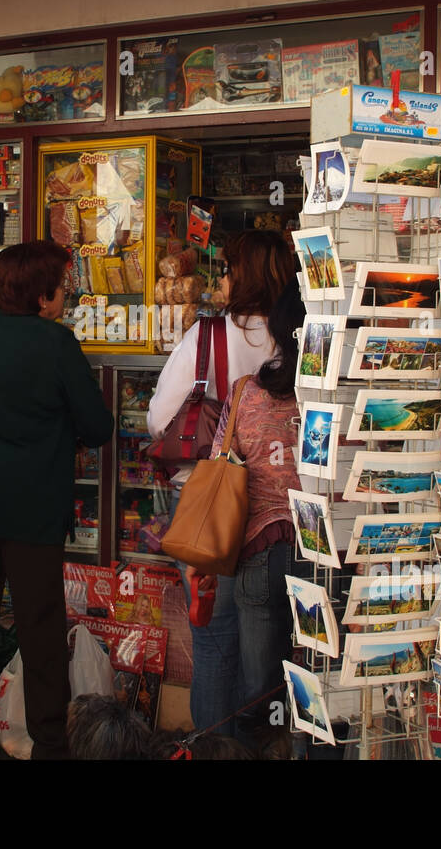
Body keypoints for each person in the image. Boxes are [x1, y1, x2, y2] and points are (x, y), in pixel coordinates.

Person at [0, 239, 114, 760]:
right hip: (29, 507)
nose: (65, 295)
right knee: (40, 626)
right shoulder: (57, 345)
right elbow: (98, 427)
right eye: (61, 286)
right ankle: (50, 744)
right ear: (43, 294)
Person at [147, 230, 296, 738]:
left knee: (213, 639)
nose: (224, 280)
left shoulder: (208, 337)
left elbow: (158, 418)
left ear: (246, 277)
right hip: (281, 518)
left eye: (230, 270)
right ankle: (259, 744)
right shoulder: (299, 335)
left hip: (213, 507)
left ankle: (212, 748)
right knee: (272, 649)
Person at [185, 281, 304, 749]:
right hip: (323, 555)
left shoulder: (247, 392)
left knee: (261, 688)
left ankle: (262, 749)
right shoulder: (333, 392)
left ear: (276, 330)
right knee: (320, 669)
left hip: (259, 552)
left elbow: (221, 460)